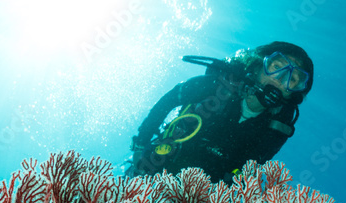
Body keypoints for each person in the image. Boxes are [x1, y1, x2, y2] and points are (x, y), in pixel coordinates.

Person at [126, 41, 314, 183]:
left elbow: (250, 166)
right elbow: (169, 101)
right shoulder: (219, 86)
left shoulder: (277, 128)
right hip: (160, 162)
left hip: (206, 190)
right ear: (258, 66)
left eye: (293, 78)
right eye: (276, 67)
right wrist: (140, 146)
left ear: (294, 94)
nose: (280, 79)